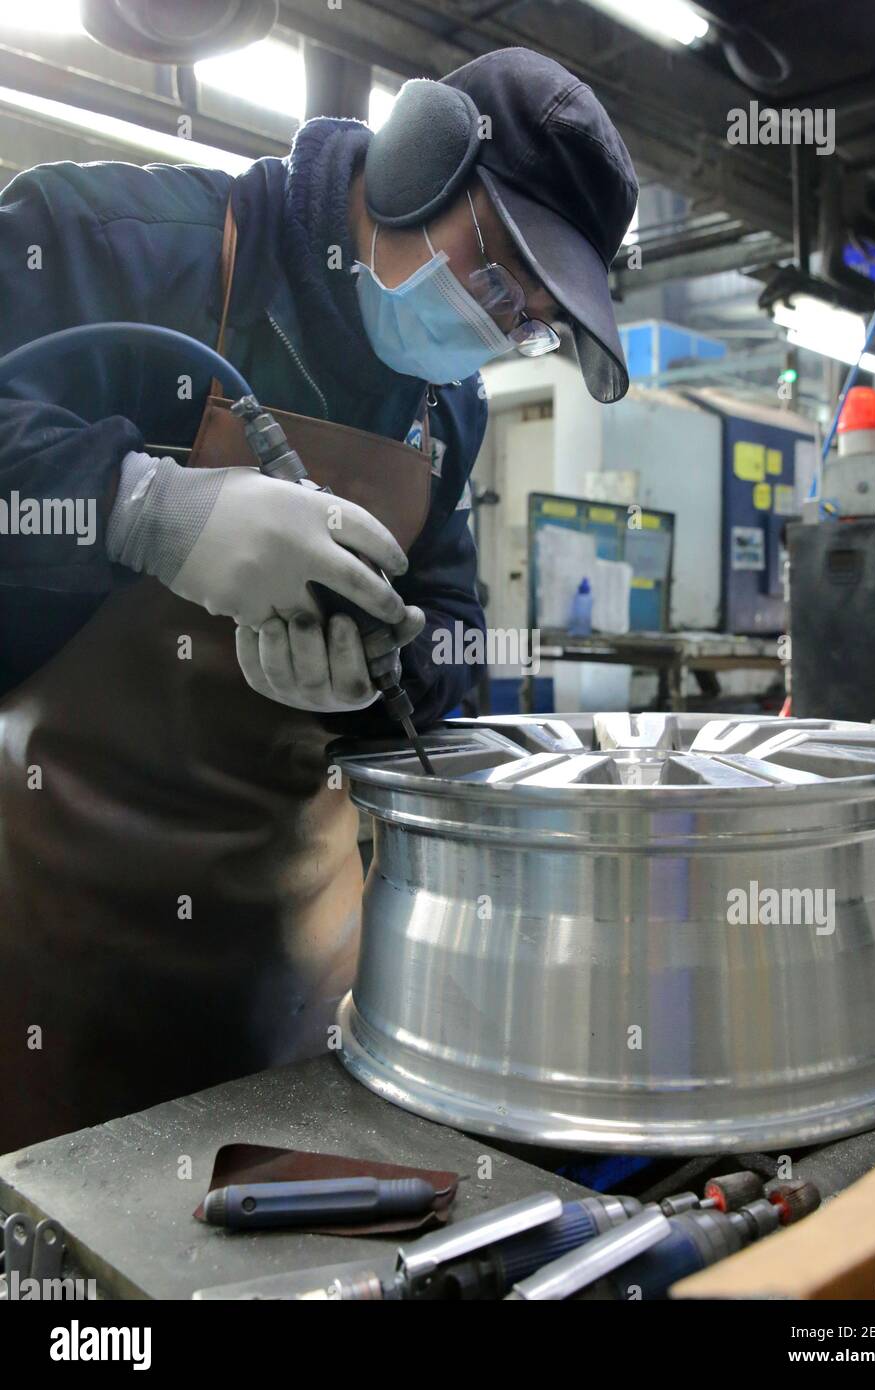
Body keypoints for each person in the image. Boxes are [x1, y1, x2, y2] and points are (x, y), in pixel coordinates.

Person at [0, 46, 638, 1151]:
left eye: (523, 322)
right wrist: (140, 508)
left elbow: (450, 627)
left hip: (286, 961)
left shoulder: (448, 414)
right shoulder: (118, 246)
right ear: (415, 164)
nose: (492, 330)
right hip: (46, 928)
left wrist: (382, 667)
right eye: (496, 279)